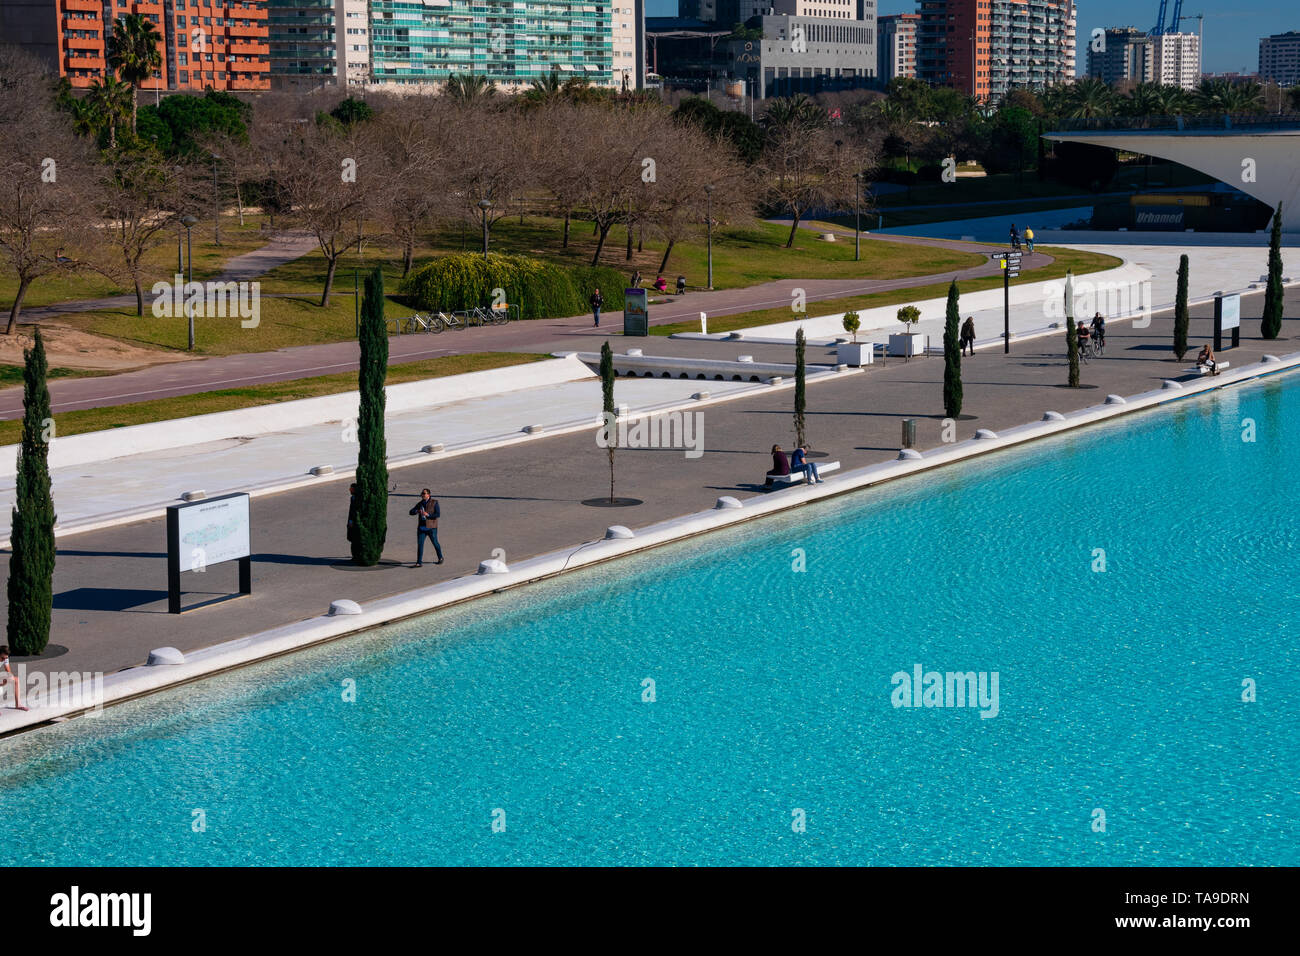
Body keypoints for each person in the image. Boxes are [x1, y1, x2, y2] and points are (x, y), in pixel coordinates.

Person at [409, 488, 443, 567]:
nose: (422, 495)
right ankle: (419, 562)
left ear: (428, 495)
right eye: (422, 493)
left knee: (435, 543)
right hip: (421, 528)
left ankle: (440, 557)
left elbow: (437, 514)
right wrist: (417, 511)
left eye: (424, 493)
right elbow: (410, 512)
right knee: (420, 545)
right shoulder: (420, 504)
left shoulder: (434, 502)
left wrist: (428, 515)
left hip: (431, 528)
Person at [0, 646, 28, 711]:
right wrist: (1, 684)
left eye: (6, 658)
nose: (4, 660)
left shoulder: (5, 658)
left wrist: (9, 678)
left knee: (15, 680)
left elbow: (8, 671)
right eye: (2, 658)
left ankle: (18, 704)